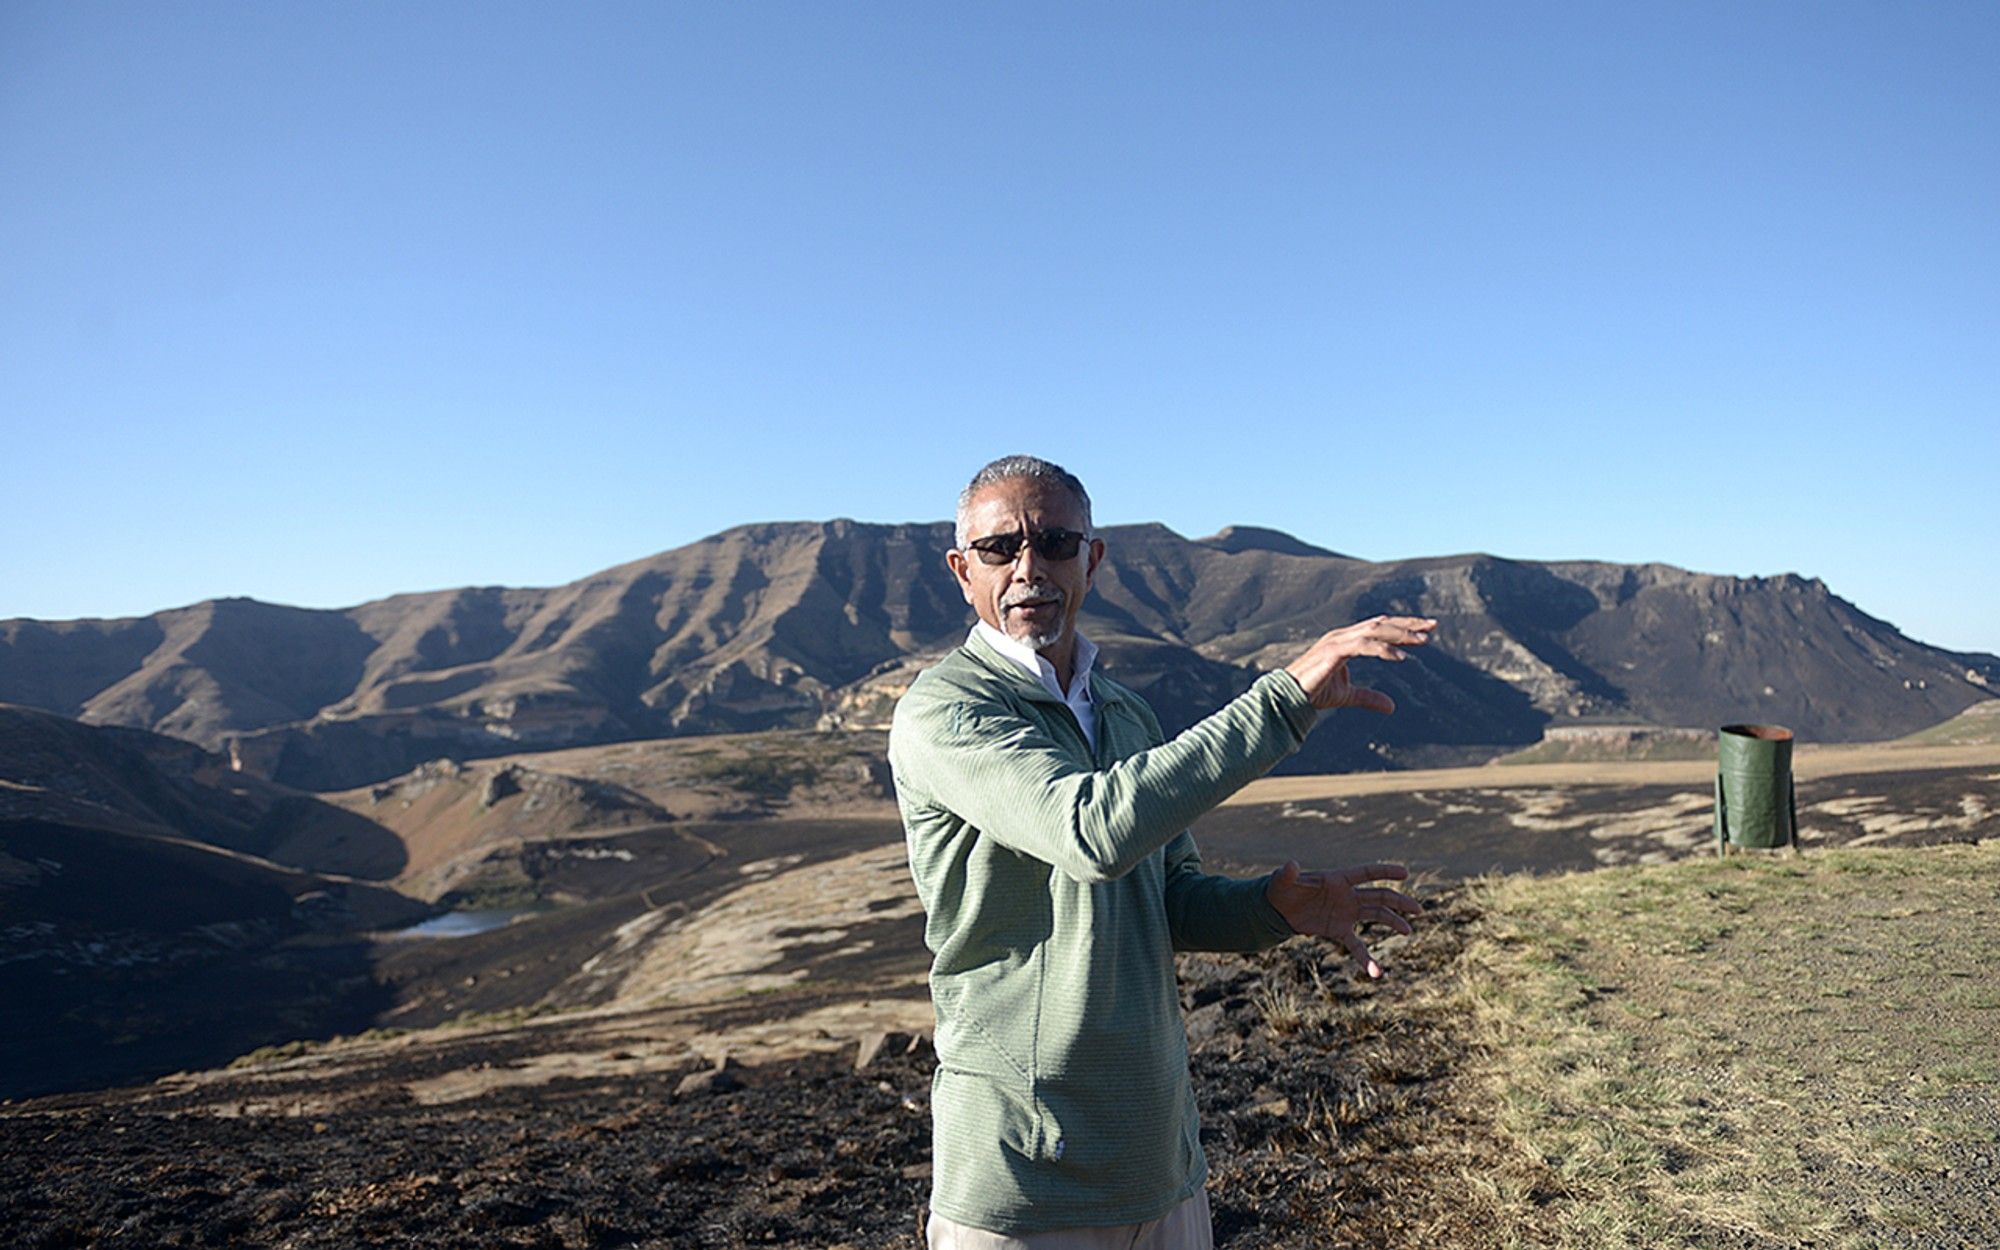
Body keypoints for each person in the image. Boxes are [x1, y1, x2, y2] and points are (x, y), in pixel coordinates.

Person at [888, 454, 1437, 1249]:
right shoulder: (946, 709)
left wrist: (1273, 909)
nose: (1029, 567)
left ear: (1092, 560)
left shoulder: (1123, 711)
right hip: (1023, 1179)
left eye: (1055, 543)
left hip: (1159, 1164)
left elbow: (1167, 898)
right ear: (961, 569)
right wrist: (1282, 703)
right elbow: (1089, 831)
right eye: (1000, 548)